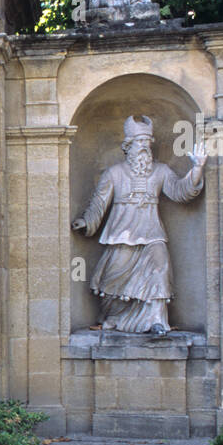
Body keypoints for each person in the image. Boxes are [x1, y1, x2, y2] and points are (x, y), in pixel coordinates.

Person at [72, 115, 207, 335]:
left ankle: (156, 321)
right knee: (113, 280)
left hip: (153, 233)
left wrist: (197, 169)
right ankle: (115, 317)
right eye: (140, 141)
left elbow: (180, 192)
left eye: (147, 141)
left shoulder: (160, 171)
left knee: (159, 270)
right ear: (129, 145)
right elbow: (99, 203)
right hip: (122, 233)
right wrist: (87, 221)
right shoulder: (114, 173)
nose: (145, 146)